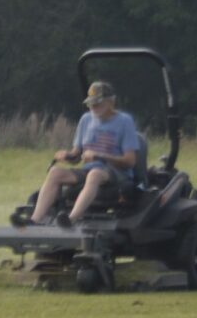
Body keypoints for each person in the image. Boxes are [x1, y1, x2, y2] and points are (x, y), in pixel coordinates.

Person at [12, 81, 140, 229]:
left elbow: (130, 161)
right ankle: (35, 220)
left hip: (115, 172)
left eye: (97, 103)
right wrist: (67, 155)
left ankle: (70, 219)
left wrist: (99, 156)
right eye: (91, 103)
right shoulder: (86, 120)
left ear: (110, 102)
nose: (93, 107)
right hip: (89, 169)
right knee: (55, 172)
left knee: (94, 174)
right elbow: (77, 155)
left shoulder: (124, 121)